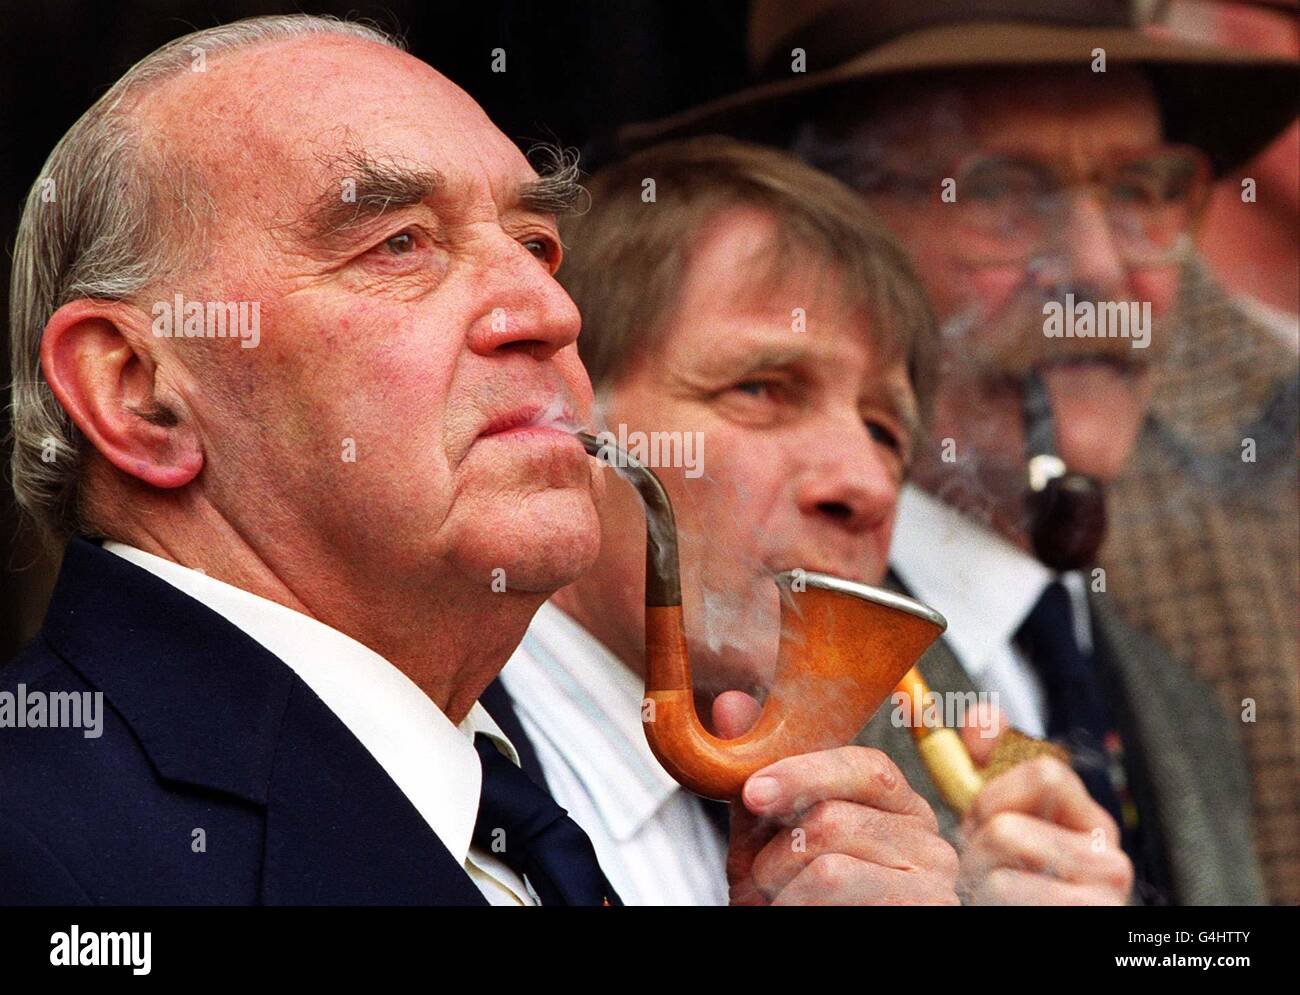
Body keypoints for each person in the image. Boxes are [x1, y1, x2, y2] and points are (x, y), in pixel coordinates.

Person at [1, 14, 614, 905]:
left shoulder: (508, 807)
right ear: (137, 392)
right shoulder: (29, 854)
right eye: (399, 242)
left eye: (534, 245)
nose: (550, 311)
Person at [487, 136, 1129, 906]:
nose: (865, 486)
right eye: (761, 390)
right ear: (569, 418)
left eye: (887, 433)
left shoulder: (904, 829)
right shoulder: (415, 769)